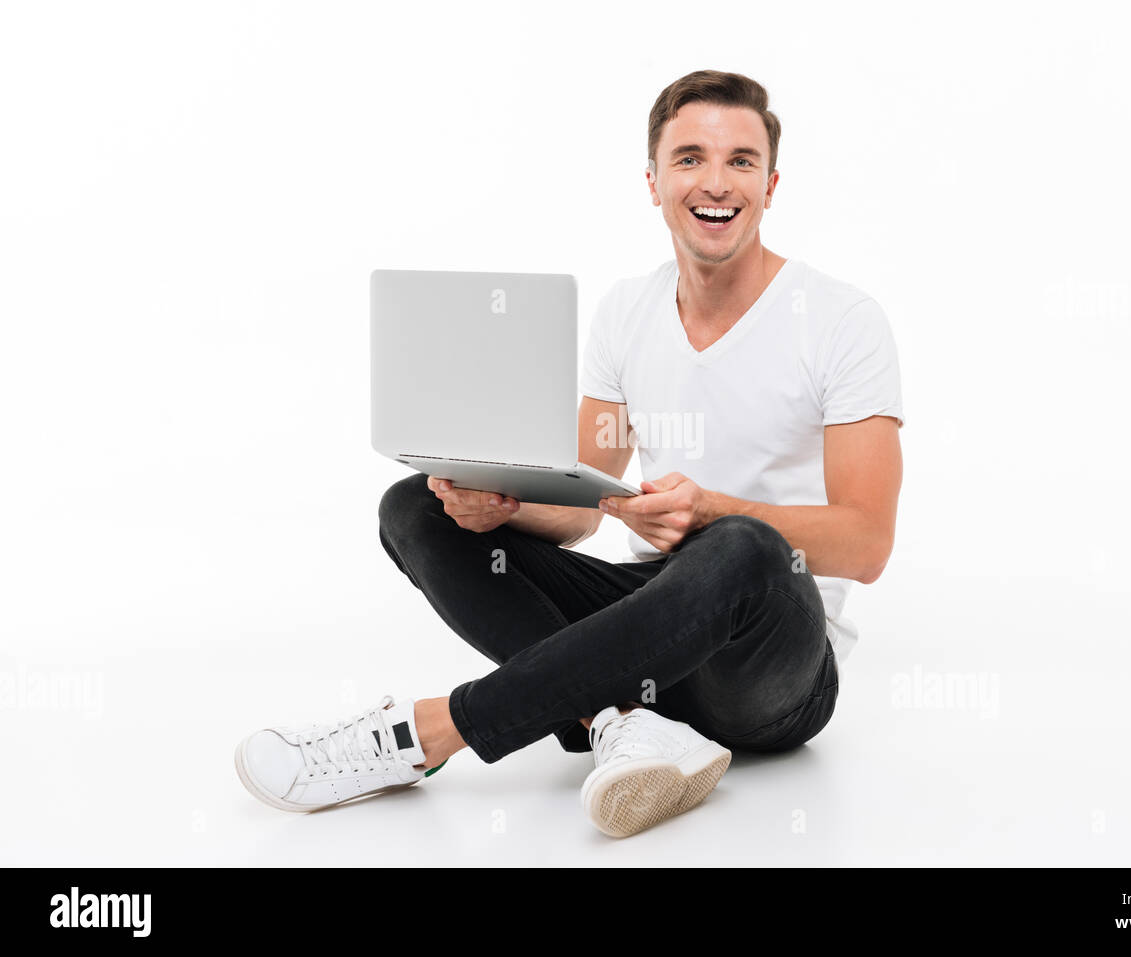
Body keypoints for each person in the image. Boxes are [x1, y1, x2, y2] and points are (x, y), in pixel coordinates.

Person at [235, 69, 905, 838]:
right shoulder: (628, 312)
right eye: (689, 158)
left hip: (768, 666)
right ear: (652, 182)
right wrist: (505, 507)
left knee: (743, 546)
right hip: (646, 632)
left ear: (771, 184)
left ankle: (428, 734)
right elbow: (584, 507)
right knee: (416, 503)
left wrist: (713, 511)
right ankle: (626, 721)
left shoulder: (840, 320)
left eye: (740, 161)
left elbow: (867, 543)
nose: (715, 181)